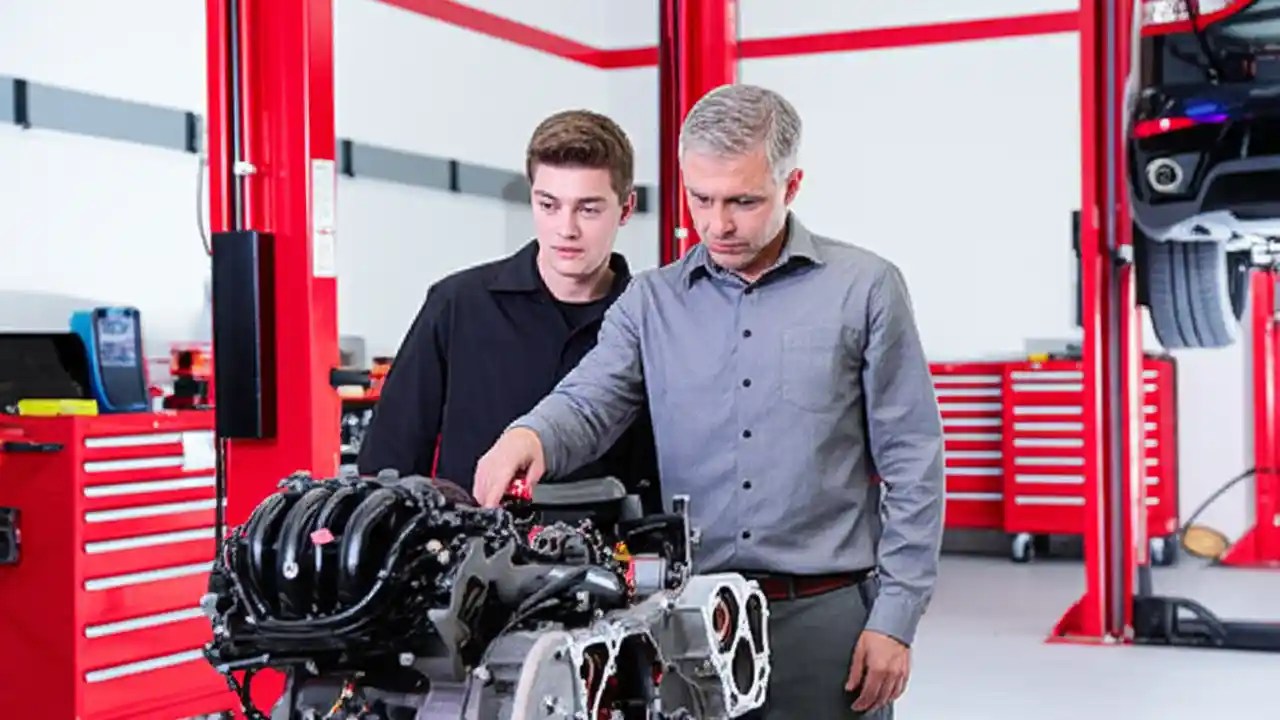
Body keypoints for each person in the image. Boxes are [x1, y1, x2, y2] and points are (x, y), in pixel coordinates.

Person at [472, 84, 946, 719]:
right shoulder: (650, 301)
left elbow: (914, 460)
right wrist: (528, 437)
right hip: (691, 623)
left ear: (793, 185)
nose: (718, 224)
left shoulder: (865, 290)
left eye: (744, 201)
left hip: (826, 622)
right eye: (701, 199)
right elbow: (589, 400)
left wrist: (896, 617)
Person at [356, 109, 659, 509]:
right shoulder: (456, 305)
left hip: (615, 560)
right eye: (549, 205)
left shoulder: (651, 321)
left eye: (588, 209)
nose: (565, 228)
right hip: (470, 558)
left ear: (625, 208)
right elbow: (388, 463)